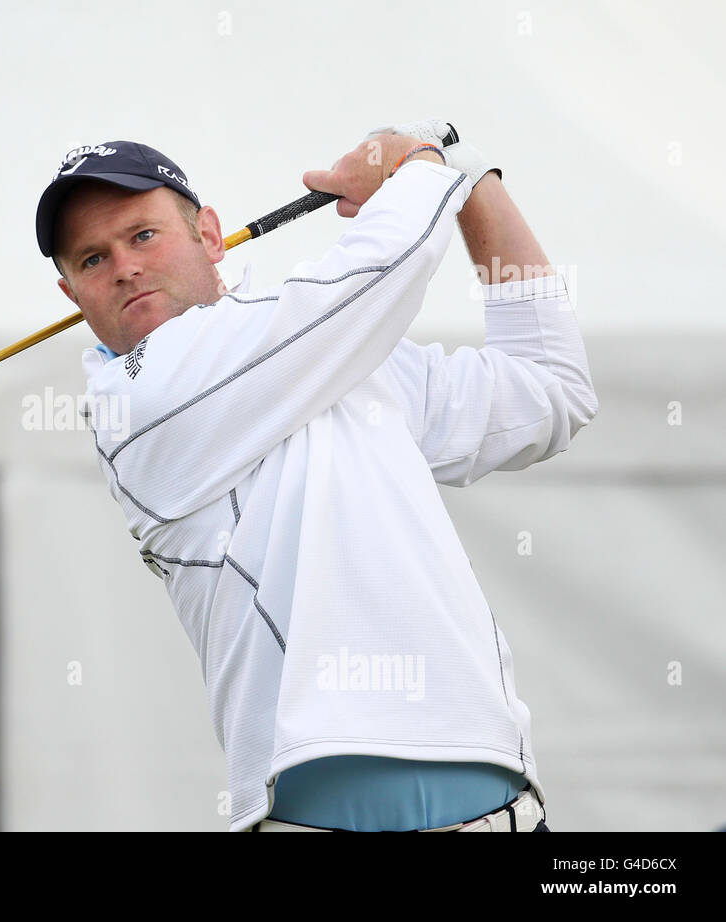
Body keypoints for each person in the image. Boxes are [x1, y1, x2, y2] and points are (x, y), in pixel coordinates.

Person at [33, 121, 598, 832]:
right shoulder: (137, 403)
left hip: (504, 811)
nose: (123, 267)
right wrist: (421, 163)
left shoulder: (327, 352)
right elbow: (372, 276)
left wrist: (474, 178)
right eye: (92, 258)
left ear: (210, 234)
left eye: (143, 235)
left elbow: (549, 389)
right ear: (72, 293)